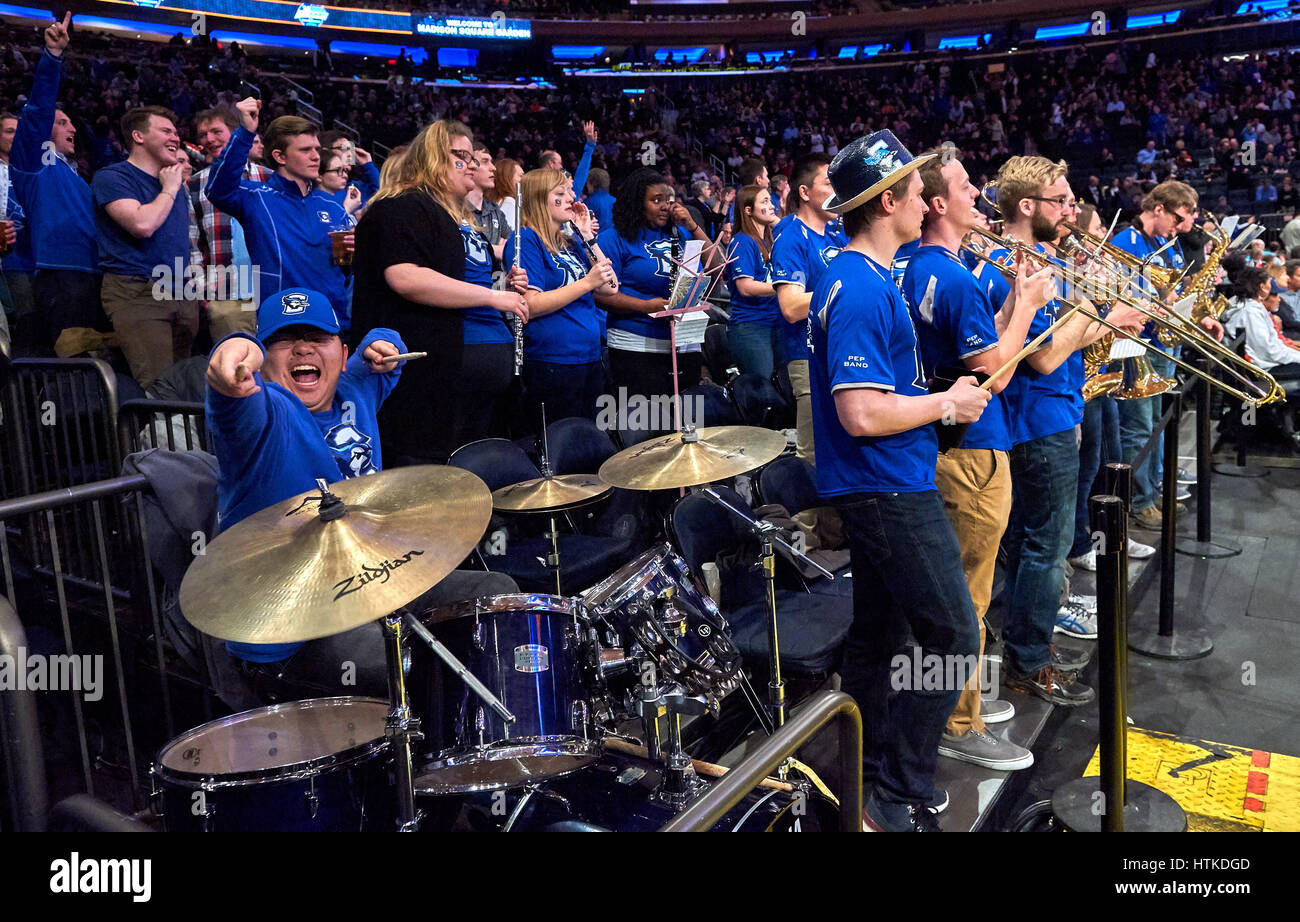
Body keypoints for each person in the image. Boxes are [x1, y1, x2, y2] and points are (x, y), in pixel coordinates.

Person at [203, 286, 514, 700]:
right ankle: (413, 760)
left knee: (498, 595)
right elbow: (232, 391)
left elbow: (383, 349)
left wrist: (381, 342)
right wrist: (236, 348)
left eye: (318, 338)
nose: (302, 350)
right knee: (399, 662)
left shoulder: (355, 390)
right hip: (291, 629)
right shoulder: (264, 412)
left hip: (369, 585)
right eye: (282, 341)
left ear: (342, 351)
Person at [807, 131, 988, 832]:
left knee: (878, 635)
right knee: (953, 636)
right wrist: (947, 403)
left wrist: (941, 395)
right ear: (889, 201)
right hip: (885, 485)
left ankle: (864, 773)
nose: (926, 200)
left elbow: (885, 391)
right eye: (916, 189)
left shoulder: (868, 276)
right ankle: (896, 791)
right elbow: (859, 411)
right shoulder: (855, 285)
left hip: (886, 478)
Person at [903, 146, 1054, 773]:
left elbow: (975, 348)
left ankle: (960, 702)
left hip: (952, 451)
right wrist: (1026, 306)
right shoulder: (957, 275)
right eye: (967, 187)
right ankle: (957, 721)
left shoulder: (925, 266)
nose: (979, 196)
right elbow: (992, 368)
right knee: (968, 596)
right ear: (938, 204)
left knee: (966, 593)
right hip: (971, 456)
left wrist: (1009, 310)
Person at [984, 155, 1143, 706]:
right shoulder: (1013, 264)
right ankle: (1028, 660)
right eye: (1061, 201)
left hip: (1056, 414)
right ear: (1027, 207)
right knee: (1044, 547)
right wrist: (1100, 309)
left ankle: (1017, 642)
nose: (1071, 211)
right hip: (1037, 420)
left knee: (1032, 542)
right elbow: (1046, 358)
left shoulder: (1044, 256)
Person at [351, 121, 528, 466]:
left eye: (472, 157)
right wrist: (492, 297)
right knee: (427, 474)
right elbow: (406, 278)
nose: (472, 164)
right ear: (433, 157)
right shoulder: (402, 206)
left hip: (464, 371)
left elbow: (453, 281)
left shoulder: (455, 218)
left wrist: (499, 287)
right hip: (426, 381)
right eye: (461, 156)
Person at [205, 97, 353, 330]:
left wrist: (356, 251)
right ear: (279, 156)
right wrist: (245, 133)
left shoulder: (333, 206)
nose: (316, 156)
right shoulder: (256, 197)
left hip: (333, 322)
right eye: (305, 150)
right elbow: (217, 189)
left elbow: (346, 267)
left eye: (316, 149)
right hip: (282, 323)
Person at [1066, 202, 1156, 572]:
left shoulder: (1098, 266)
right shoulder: (1070, 269)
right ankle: (1080, 544)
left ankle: (1112, 532)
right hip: (1083, 383)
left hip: (1105, 378)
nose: (1104, 234)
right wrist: (1112, 315)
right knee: (1085, 472)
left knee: (1112, 466)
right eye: (1099, 227)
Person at [9, 13, 104, 352]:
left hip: (95, 274)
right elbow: (37, 110)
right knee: (71, 362)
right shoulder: (32, 161)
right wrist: (52, 57)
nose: (73, 128)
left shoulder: (77, 175)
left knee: (94, 360)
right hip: (60, 274)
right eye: (62, 123)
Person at [595, 168, 715, 421]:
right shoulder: (612, 238)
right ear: (637, 203)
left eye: (669, 200)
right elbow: (600, 295)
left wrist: (692, 226)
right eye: (656, 200)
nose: (665, 207)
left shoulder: (679, 233)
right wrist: (644, 305)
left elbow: (717, 264)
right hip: (636, 343)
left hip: (683, 343)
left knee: (688, 424)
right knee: (650, 426)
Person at [91, 105, 197, 389]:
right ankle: (154, 436)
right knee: (159, 386)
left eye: (176, 132)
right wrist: (170, 188)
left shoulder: (172, 184)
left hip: (182, 291)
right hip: (137, 290)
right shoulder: (113, 177)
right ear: (138, 135)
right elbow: (142, 225)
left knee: (184, 386)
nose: (175, 137)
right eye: (165, 131)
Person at [505, 168, 616, 426]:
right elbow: (530, 305)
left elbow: (611, 287)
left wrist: (588, 236)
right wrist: (587, 282)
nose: (571, 198)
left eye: (570, 192)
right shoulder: (526, 239)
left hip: (589, 356)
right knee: (561, 445)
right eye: (560, 193)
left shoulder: (570, 242)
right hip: (553, 360)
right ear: (539, 199)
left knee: (590, 441)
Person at [772, 153, 846, 464]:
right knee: (814, 455)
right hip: (807, 357)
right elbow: (790, 306)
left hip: (838, 352)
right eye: (828, 184)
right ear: (804, 192)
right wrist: (847, 291)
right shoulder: (792, 237)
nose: (836, 190)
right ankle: (806, 514)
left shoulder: (835, 234)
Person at [190, 106, 271, 339]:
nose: (209, 140)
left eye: (216, 131)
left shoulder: (269, 178)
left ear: (236, 133)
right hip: (226, 295)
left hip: (270, 290)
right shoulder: (194, 184)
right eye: (203, 135)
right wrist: (202, 290)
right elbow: (193, 245)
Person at [725, 184, 783, 379]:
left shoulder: (769, 239)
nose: (772, 205)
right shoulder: (742, 241)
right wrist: (784, 289)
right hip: (751, 327)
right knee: (764, 391)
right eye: (765, 202)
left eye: (771, 200)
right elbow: (745, 287)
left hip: (774, 322)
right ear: (748, 210)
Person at [467, 143, 510, 264]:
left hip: (499, 281)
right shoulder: (454, 208)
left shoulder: (494, 209)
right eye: (485, 161)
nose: (493, 168)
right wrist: (495, 249)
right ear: (470, 166)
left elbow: (513, 248)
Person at [491, 158, 523, 231]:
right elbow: (506, 236)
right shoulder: (509, 202)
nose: (524, 180)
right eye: (520, 176)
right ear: (507, 178)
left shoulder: (500, 201)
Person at [583, 167, 615, 234]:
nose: (586, 185)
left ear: (592, 184)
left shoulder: (588, 203)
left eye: (587, 183)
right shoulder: (615, 200)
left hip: (596, 240)